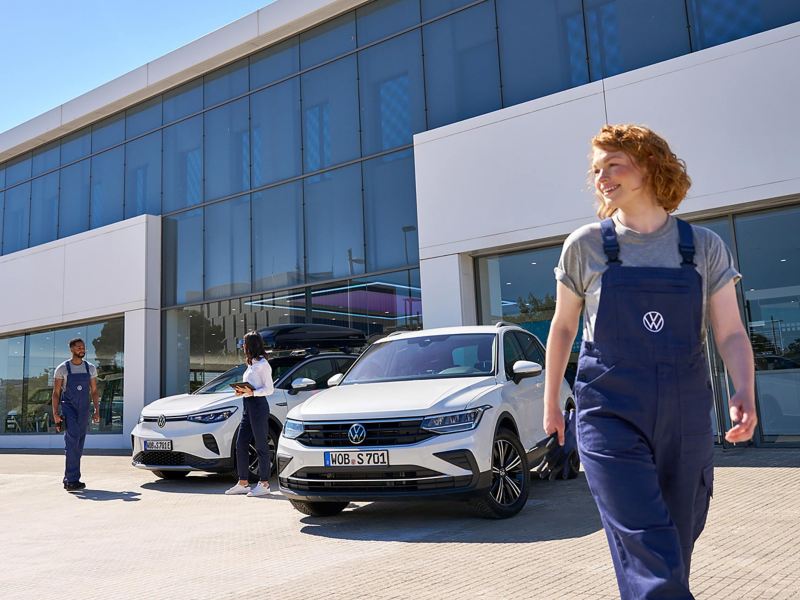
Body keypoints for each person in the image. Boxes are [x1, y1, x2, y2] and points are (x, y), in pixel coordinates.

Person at [543, 124, 757, 599]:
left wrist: (744, 389)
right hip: (609, 413)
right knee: (649, 546)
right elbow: (562, 327)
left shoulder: (702, 247)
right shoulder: (587, 245)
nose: (602, 177)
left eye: (614, 164)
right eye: (596, 169)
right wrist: (553, 401)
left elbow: (730, 331)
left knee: (674, 546)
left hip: (685, 414)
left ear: (650, 165)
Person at [225, 331, 275, 497]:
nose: (242, 346)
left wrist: (253, 393)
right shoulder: (251, 364)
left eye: (244, 343)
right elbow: (252, 386)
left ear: (251, 345)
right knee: (240, 444)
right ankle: (243, 482)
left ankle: (264, 484)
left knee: (261, 445)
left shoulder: (263, 364)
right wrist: (242, 391)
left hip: (259, 406)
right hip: (247, 405)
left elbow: (269, 389)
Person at [51, 338, 100, 492]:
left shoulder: (90, 368)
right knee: (72, 441)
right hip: (69, 408)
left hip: (84, 409)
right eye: (78, 347)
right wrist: (55, 414)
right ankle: (72, 480)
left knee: (79, 443)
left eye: (83, 347)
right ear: (72, 349)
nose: (82, 349)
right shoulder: (62, 369)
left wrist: (96, 410)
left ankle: (70, 479)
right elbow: (56, 393)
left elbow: (94, 391)